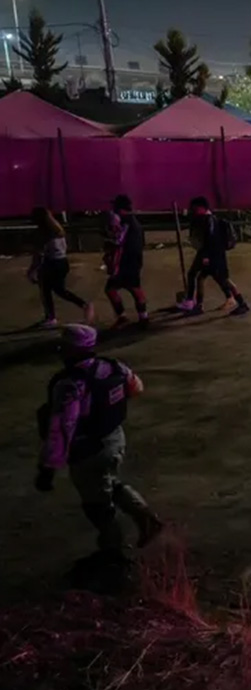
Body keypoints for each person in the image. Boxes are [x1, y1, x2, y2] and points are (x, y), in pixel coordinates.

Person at [36, 324, 163, 565]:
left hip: (88, 450)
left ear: (72, 349)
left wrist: (48, 468)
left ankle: (112, 551)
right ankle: (146, 520)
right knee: (109, 482)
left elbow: (63, 428)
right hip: (114, 438)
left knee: (96, 504)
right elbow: (136, 387)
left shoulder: (70, 384)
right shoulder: (113, 366)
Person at [177, 197, 250, 317]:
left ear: (201, 208)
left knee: (223, 280)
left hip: (213, 256)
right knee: (201, 277)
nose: (193, 211)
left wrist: (206, 256)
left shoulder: (209, 220)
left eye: (195, 209)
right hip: (213, 255)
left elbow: (211, 240)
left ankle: (242, 303)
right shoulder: (207, 219)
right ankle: (198, 305)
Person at [27, 208, 95, 328]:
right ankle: (83, 305)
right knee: (59, 290)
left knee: (46, 290)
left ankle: (51, 317)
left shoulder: (43, 233)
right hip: (62, 261)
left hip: (51, 263)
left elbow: (38, 254)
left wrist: (32, 270)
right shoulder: (58, 230)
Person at [103, 195, 149, 329]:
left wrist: (110, 249)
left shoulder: (126, 222)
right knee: (133, 288)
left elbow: (118, 241)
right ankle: (142, 316)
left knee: (113, 289)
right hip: (134, 259)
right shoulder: (134, 222)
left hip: (125, 261)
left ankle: (125, 316)